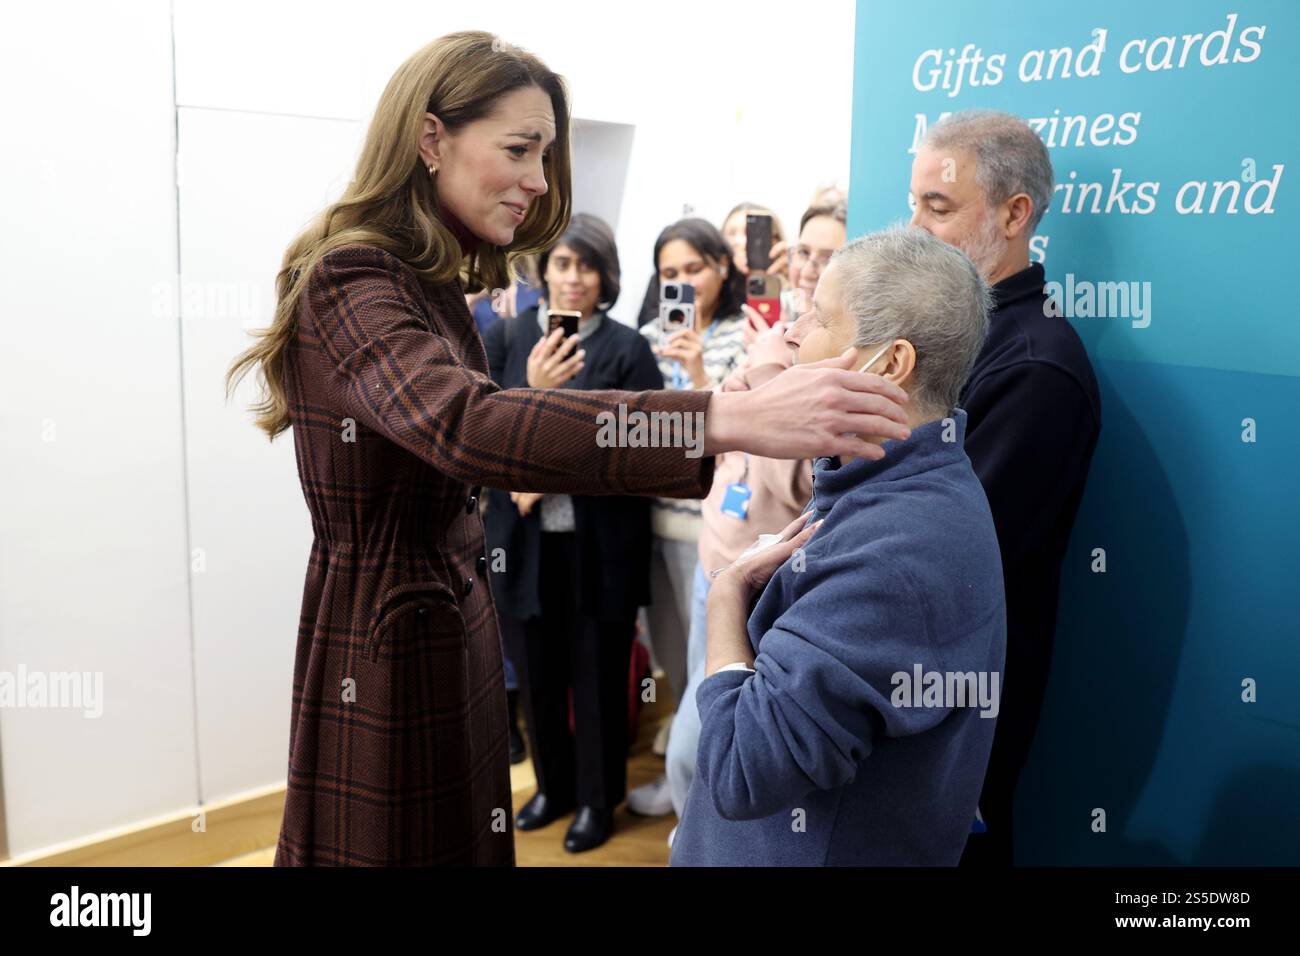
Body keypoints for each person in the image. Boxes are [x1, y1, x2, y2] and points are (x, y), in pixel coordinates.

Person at [224, 31, 913, 866]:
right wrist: (720, 419)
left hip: (446, 610)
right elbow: (471, 427)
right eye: (519, 149)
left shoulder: (425, 280)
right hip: (389, 631)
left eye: (546, 155)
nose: (538, 182)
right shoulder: (354, 277)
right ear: (430, 137)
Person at [671, 226, 1006, 866]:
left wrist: (726, 596)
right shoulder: (891, 483)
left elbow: (744, 771)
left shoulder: (897, 546)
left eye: (817, 318)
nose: (791, 332)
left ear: (889, 363)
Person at [909, 109, 1102, 866]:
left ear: (1015, 214)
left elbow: (943, 556)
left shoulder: (1035, 367)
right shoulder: (956, 336)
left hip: (955, 713)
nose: (915, 228)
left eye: (940, 206)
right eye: (916, 202)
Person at [631, 200, 849, 824]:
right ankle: (690, 834)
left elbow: (813, 467)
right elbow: (715, 436)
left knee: (721, 741)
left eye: (828, 255)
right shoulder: (772, 330)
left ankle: (701, 836)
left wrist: (770, 373)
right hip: (715, 553)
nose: (809, 266)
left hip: (771, 573)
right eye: (804, 251)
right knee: (693, 723)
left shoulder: (829, 346)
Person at [482, 213, 661, 853]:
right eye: (563, 263)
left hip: (601, 544)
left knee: (599, 676)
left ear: (605, 276)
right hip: (524, 542)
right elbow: (483, 427)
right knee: (534, 671)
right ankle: (551, 787)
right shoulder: (505, 338)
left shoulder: (627, 348)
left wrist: (549, 471)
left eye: (586, 265)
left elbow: (641, 447)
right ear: (543, 271)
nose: (574, 278)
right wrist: (533, 399)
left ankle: (596, 799)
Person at [636, 219, 749, 772]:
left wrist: (698, 368)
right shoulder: (648, 336)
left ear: (722, 267)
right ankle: (680, 771)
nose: (682, 283)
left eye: (694, 269)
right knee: (667, 650)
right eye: (669, 274)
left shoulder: (743, 331)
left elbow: (736, 425)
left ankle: (698, 780)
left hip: (707, 526)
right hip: (650, 517)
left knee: (706, 656)